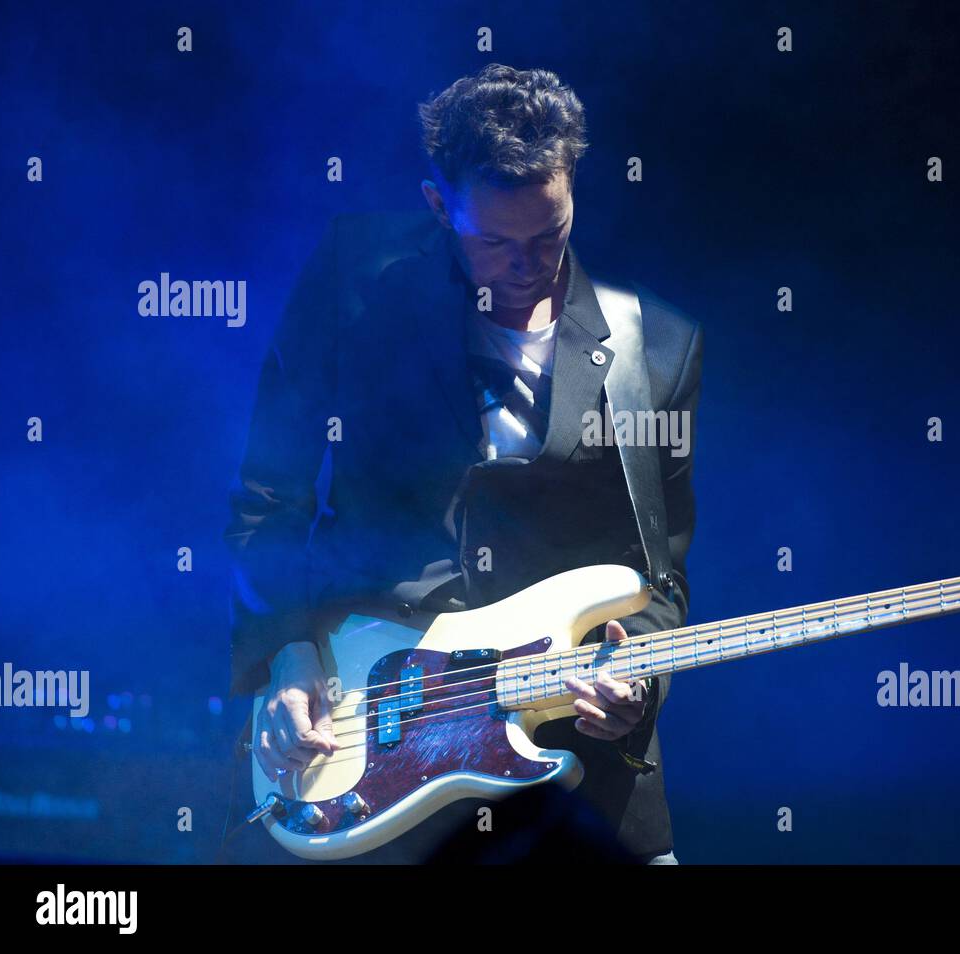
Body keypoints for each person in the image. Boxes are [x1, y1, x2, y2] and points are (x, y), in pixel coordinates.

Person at [223, 63, 703, 864]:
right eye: (495, 243)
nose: (528, 266)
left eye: (549, 235)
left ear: (572, 184)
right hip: (366, 731)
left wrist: (633, 682)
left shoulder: (655, 348)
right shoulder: (354, 278)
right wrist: (288, 653)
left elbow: (659, 575)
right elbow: (269, 494)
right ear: (438, 205)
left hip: (565, 764)